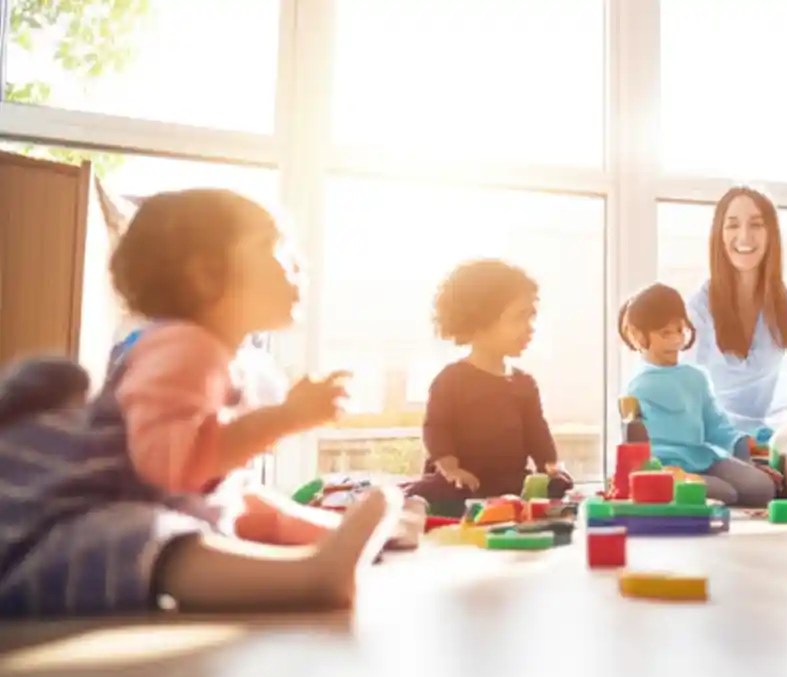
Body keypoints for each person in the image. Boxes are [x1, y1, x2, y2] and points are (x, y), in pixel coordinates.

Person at [0, 188, 401, 617]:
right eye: (273, 246)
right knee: (147, 535)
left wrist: (349, 532)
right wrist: (286, 418)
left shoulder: (217, 354)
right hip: (49, 539)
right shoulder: (181, 346)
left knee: (241, 498)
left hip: (125, 511)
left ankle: (338, 542)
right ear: (205, 275)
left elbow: (216, 486)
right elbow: (173, 467)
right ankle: (311, 577)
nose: (299, 264)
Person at [408, 260, 572, 516]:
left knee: (553, 489)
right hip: (462, 482)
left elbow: (537, 433)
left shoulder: (524, 383)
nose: (530, 328)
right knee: (432, 492)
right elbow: (437, 428)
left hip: (508, 482)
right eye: (519, 317)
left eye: (531, 316)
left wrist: (550, 468)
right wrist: (450, 469)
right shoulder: (452, 379)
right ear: (480, 320)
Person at [622, 283, 779, 507]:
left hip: (703, 458)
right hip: (665, 467)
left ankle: (701, 487)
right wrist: (660, 469)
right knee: (725, 493)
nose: (676, 340)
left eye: (679, 330)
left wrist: (747, 445)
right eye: (665, 333)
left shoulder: (695, 378)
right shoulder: (637, 387)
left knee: (762, 488)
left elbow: (716, 426)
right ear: (638, 336)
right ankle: (680, 487)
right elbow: (635, 447)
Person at [685, 186, 787, 431]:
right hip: (714, 437)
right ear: (719, 235)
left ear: (771, 234)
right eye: (733, 225)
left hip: (770, 436)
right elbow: (685, 390)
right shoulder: (700, 306)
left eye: (756, 224)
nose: (745, 236)